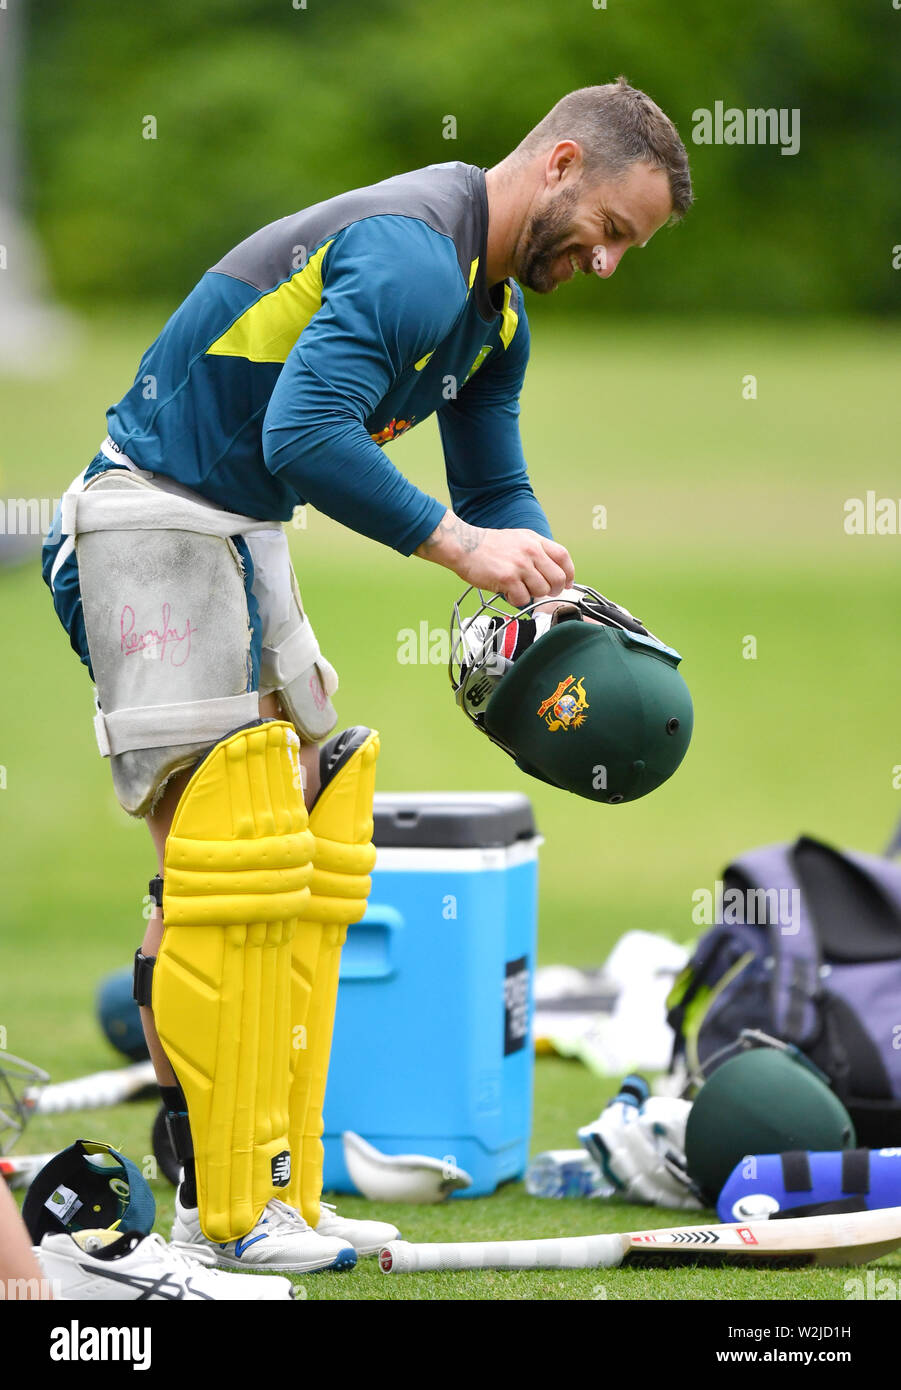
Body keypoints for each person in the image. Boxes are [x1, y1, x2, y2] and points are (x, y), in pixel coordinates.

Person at [41, 78, 692, 1276]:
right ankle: (215, 1210)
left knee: (298, 840)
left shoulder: (492, 320)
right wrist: (455, 546)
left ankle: (266, 1185)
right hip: (151, 523)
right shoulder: (408, 261)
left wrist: (543, 588)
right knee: (221, 866)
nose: (609, 263)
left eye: (629, 252)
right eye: (612, 230)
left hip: (237, 529)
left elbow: (495, 490)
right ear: (557, 165)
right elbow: (304, 436)